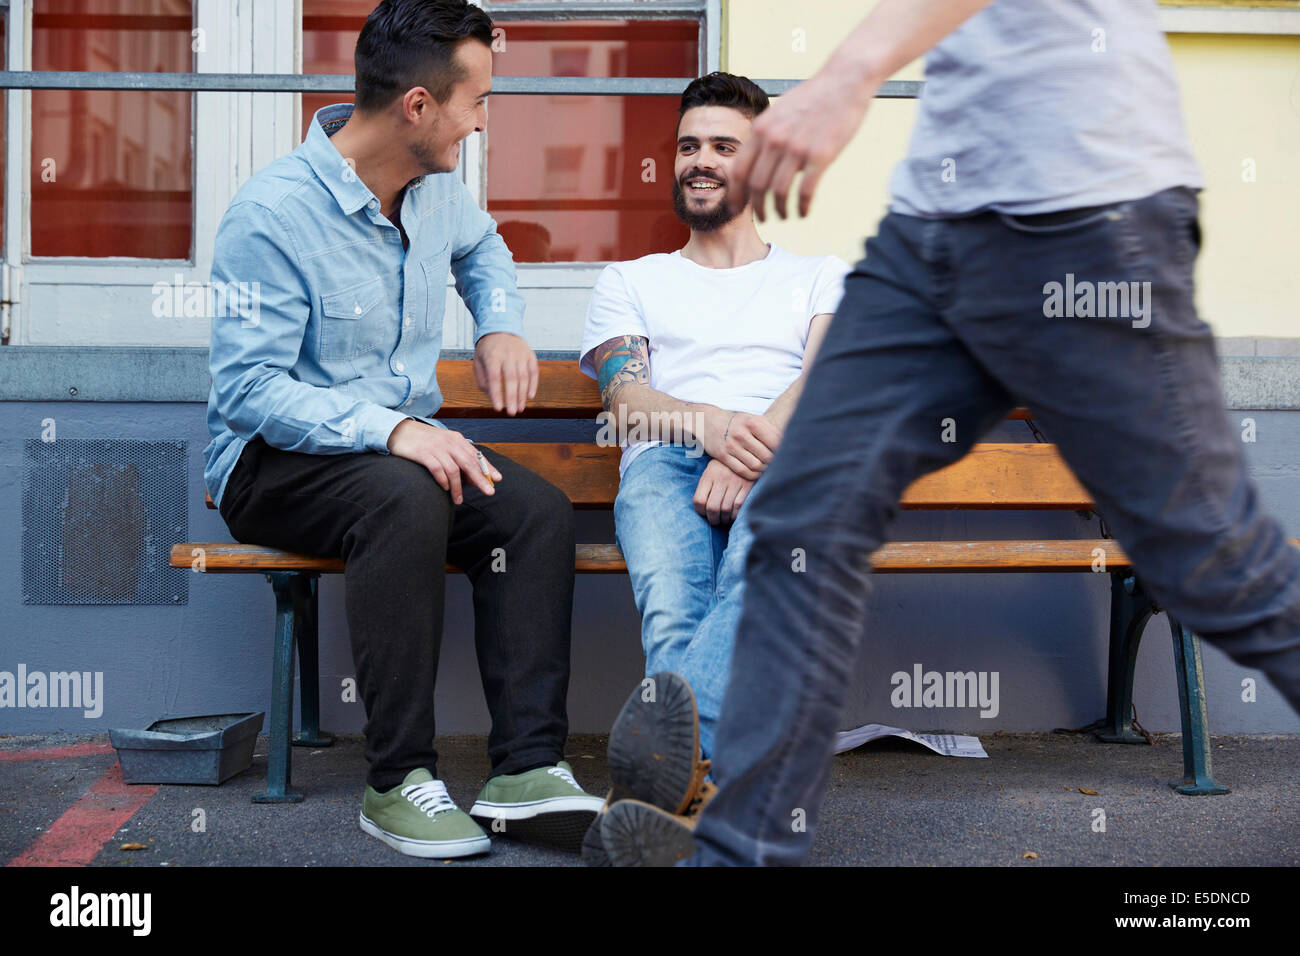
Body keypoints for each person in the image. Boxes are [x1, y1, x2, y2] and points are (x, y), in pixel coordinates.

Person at [598, 0, 1300, 866]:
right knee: (801, 523)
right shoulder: (641, 279)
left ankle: (696, 760)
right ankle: (730, 845)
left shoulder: (804, 274)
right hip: (929, 232)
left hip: (1082, 206)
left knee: (1210, 558)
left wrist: (848, 73)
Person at [204, 0, 602, 860]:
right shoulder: (271, 215)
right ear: (418, 107)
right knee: (405, 494)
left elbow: (484, 250)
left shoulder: (438, 192)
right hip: (271, 464)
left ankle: (526, 774)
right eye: (478, 101)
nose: (483, 120)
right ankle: (397, 782)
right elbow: (248, 390)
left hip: (395, 457)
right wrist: (390, 429)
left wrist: (499, 322)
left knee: (532, 511)